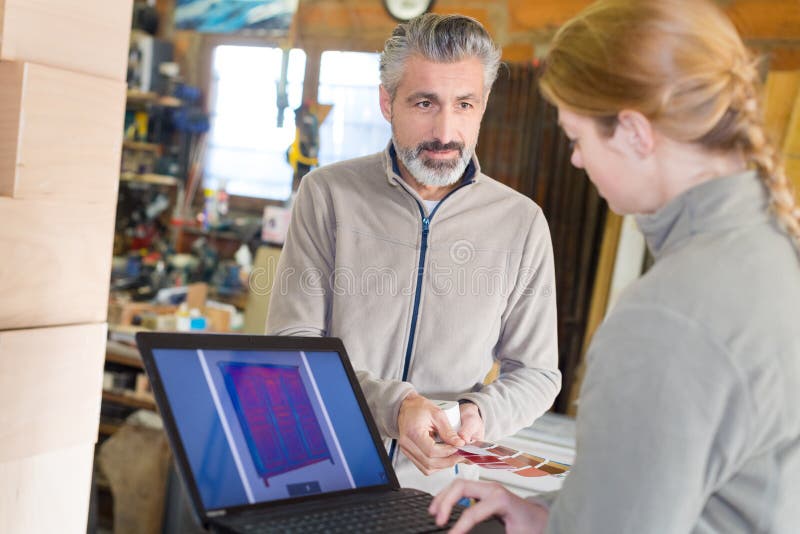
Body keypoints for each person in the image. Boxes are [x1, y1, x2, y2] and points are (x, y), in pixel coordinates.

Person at [429, 0, 800, 532]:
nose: (576, 160)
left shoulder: (668, 316)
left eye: (577, 138)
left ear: (633, 132)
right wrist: (551, 515)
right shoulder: (773, 247)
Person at [266, 14, 561, 493]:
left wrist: (477, 413)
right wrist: (395, 407)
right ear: (387, 102)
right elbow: (292, 345)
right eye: (425, 103)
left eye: (464, 104)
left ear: (483, 105)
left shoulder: (522, 223)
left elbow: (538, 372)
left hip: (441, 492)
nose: (446, 131)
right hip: (322, 474)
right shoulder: (327, 194)